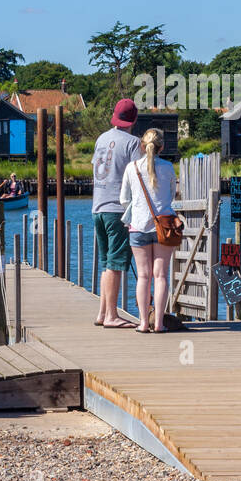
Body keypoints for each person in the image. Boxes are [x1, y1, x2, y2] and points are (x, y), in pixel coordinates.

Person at [120, 127, 177, 333]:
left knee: (143, 276)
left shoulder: (131, 167)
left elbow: (124, 199)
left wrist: (137, 210)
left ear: (142, 146)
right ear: (162, 147)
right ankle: (159, 323)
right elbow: (171, 196)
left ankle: (143, 323)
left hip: (138, 227)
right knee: (161, 276)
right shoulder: (169, 167)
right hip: (164, 227)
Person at [91, 98, 142, 327]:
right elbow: (138, 177)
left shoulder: (102, 138)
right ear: (134, 119)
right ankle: (112, 316)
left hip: (97, 207)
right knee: (116, 263)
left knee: (106, 262)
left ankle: (103, 313)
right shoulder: (133, 143)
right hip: (117, 210)